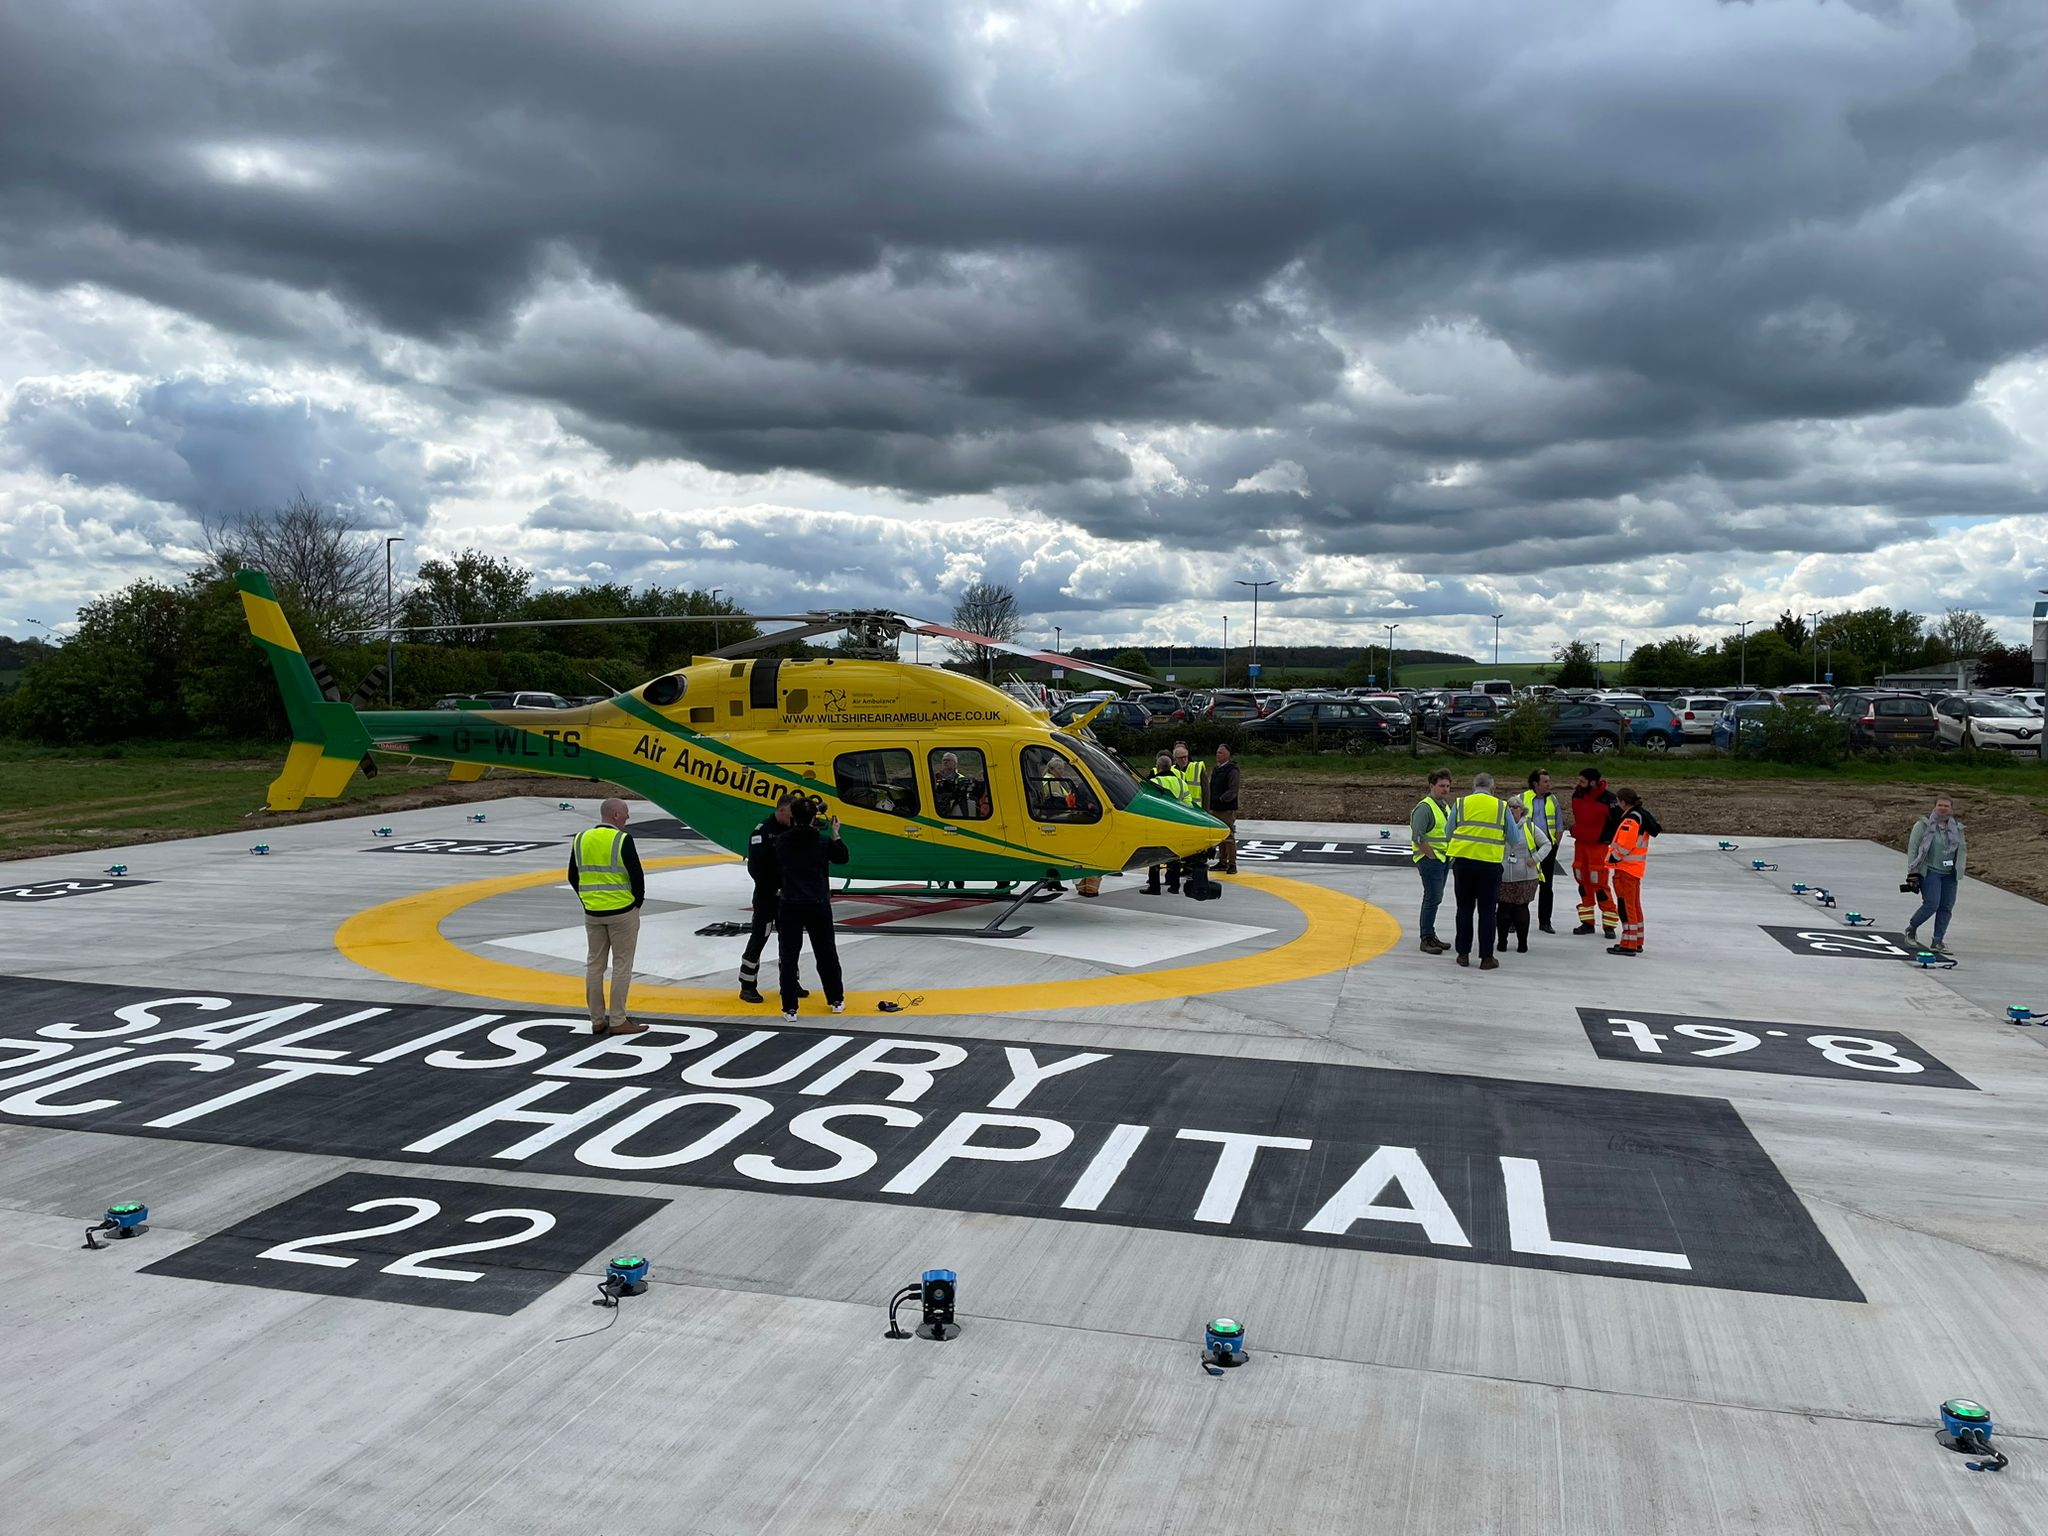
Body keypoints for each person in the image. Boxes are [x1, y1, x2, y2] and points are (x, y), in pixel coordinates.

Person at [568, 797, 646, 1035]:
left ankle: (596, 1019)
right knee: (622, 966)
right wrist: (636, 904)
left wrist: (587, 901)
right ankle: (618, 1020)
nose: (628, 817)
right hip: (622, 912)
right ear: (615, 815)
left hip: (593, 913)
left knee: (594, 965)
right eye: (625, 813)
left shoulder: (580, 838)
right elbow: (637, 876)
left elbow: (573, 875)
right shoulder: (622, 839)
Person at [775, 797, 851, 1019]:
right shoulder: (823, 841)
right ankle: (836, 998)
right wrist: (836, 833)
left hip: (790, 903)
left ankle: (790, 1007)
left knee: (788, 956)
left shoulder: (782, 841)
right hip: (817, 903)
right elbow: (842, 857)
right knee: (826, 953)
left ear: (792, 816)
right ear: (813, 817)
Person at [738, 792, 808, 1005]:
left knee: (790, 941)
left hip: (788, 898)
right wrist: (772, 889)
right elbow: (755, 868)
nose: (792, 818)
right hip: (767, 897)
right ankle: (747, 986)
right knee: (760, 938)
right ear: (781, 810)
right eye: (790, 814)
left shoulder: (793, 829)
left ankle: (790, 983)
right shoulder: (762, 832)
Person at [1448, 771, 1510, 969]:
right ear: (1493, 789)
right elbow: (1515, 837)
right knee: (1487, 912)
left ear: (1473, 787)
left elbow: (1449, 832)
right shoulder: (1501, 806)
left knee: (1464, 909)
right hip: (1489, 865)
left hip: (1463, 863)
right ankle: (1486, 958)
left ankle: (1463, 954)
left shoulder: (1460, 804)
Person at [1904, 796, 1967, 952]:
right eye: (1940, 805)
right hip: (1930, 871)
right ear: (1934, 807)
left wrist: (1960, 868)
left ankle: (1938, 940)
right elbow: (1913, 849)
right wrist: (1912, 872)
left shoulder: (1957, 828)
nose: (1943, 808)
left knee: (1946, 907)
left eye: (1946, 806)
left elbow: (1962, 849)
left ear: (1951, 809)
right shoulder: (1922, 825)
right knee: (1931, 904)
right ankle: (1911, 929)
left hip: (1949, 874)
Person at [1569, 767, 1623, 939]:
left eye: (1582, 781)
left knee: (1599, 883)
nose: (1578, 784)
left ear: (1593, 783)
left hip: (1599, 847)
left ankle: (1609, 925)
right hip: (1581, 845)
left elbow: (1617, 823)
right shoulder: (1577, 795)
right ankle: (1587, 922)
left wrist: (1605, 838)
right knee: (1583, 883)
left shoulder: (1609, 799)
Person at [1605, 787, 1659, 956]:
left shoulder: (1630, 820)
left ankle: (1628, 943)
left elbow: (1625, 844)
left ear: (1623, 802)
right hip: (1634, 870)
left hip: (1626, 869)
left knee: (1626, 907)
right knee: (1634, 906)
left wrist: (1613, 857)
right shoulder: (1641, 816)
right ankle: (1637, 941)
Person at [1496, 797, 1553, 956]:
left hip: (1526, 875)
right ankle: (1502, 942)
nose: (1512, 809)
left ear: (1522, 810)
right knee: (1503, 908)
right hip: (1504, 874)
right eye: (1509, 807)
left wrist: (1535, 859)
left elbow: (1547, 844)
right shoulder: (1500, 826)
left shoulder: (1530, 827)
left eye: (1515, 807)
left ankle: (1522, 943)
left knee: (1521, 908)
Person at [1409, 768, 1453, 954]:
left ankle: (1430, 934)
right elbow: (1418, 837)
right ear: (1432, 786)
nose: (1445, 789)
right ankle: (1425, 938)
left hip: (1442, 859)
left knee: (1436, 898)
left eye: (1448, 786)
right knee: (1432, 898)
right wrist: (1431, 856)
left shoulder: (1445, 806)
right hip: (1431, 860)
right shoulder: (1425, 808)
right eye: (1441, 786)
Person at [1520, 768, 1565, 934]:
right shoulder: (1522, 799)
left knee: (1547, 887)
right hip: (1527, 849)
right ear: (1535, 784)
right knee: (1521, 885)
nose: (1548, 785)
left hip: (1547, 848)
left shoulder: (1552, 800)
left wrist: (1555, 846)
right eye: (1545, 782)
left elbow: (1559, 825)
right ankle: (1513, 920)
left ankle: (1545, 922)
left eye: (1549, 781)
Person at [1143, 752, 1179, 894]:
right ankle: (1174, 885)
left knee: (1154, 855)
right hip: (1177, 822)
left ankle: (1154, 887)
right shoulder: (1180, 782)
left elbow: (1149, 804)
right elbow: (1187, 802)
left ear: (1158, 767)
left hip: (1160, 823)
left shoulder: (1155, 782)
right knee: (1175, 854)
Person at [1208, 743, 1241, 874]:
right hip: (1215, 807)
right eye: (1217, 752)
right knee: (1220, 837)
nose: (1217, 754)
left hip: (1226, 809)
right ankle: (1222, 861)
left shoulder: (1232, 770)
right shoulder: (1217, 769)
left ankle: (1232, 863)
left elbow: (1233, 790)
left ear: (1228, 754)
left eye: (1220, 752)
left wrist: (1221, 799)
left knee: (1228, 836)